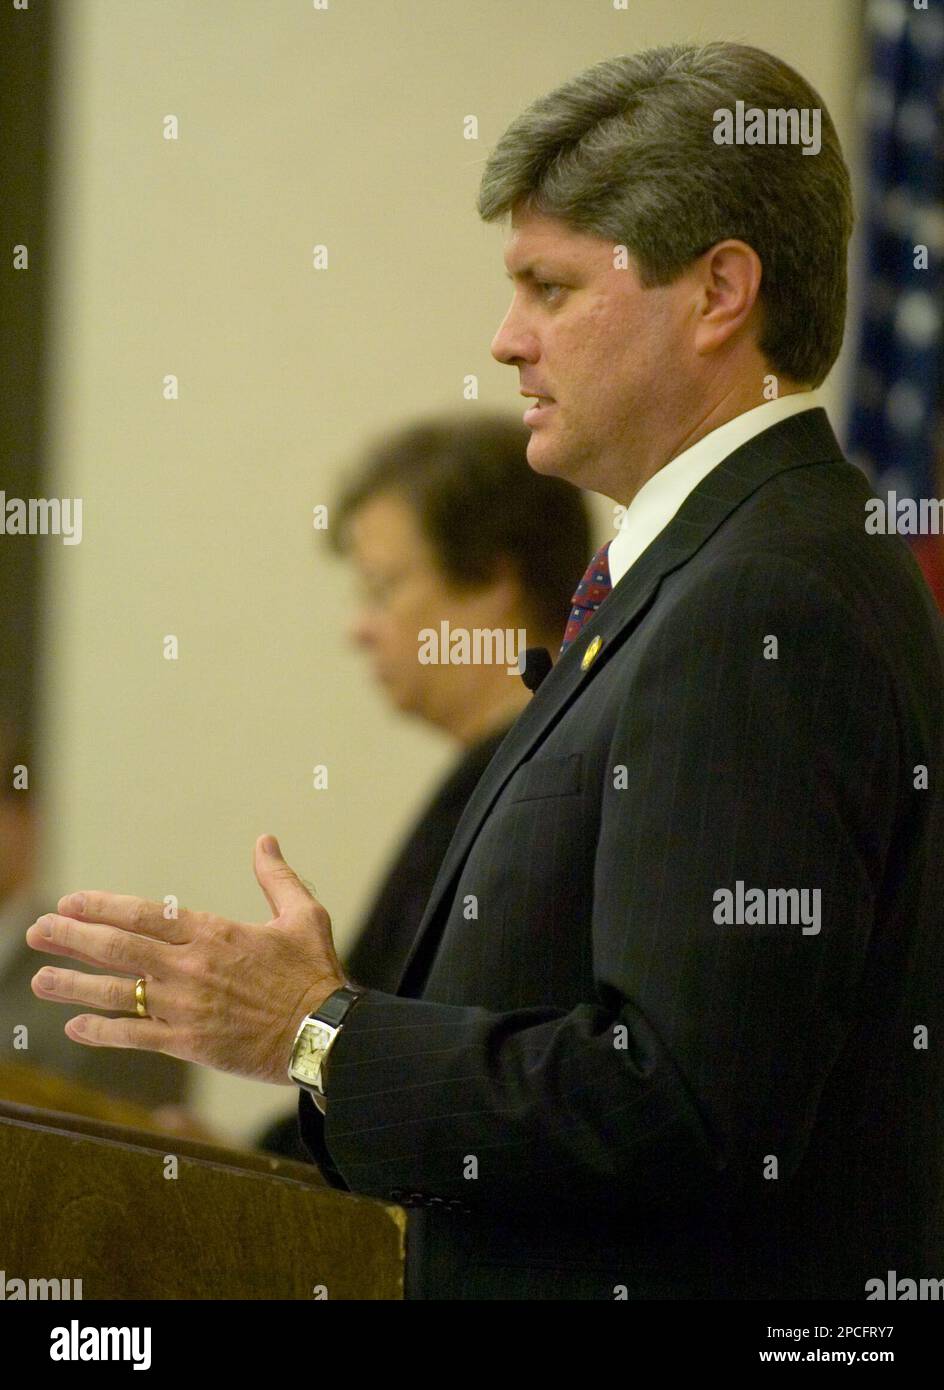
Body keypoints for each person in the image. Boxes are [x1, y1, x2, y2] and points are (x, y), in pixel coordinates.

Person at [26, 42, 944, 1301]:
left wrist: (311, 1034)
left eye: (548, 286)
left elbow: (674, 1105)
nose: (504, 338)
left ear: (717, 291)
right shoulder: (712, 569)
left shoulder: (759, 599)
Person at [256, 414, 590, 1159]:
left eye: (383, 588)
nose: (358, 628)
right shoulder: (495, 771)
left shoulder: (536, 786)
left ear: (495, 585)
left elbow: (436, 1070)